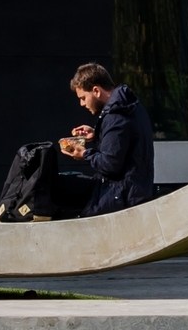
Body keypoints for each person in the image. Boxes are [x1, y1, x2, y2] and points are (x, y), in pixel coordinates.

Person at [60, 62, 156, 217]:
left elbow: (110, 165)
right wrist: (97, 134)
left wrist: (84, 153)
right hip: (135, 192)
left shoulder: (115, 116)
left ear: (96, 91)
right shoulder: (129, 106)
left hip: (121, 199)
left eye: (83, 97)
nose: (82, 103)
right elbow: (124, 142)